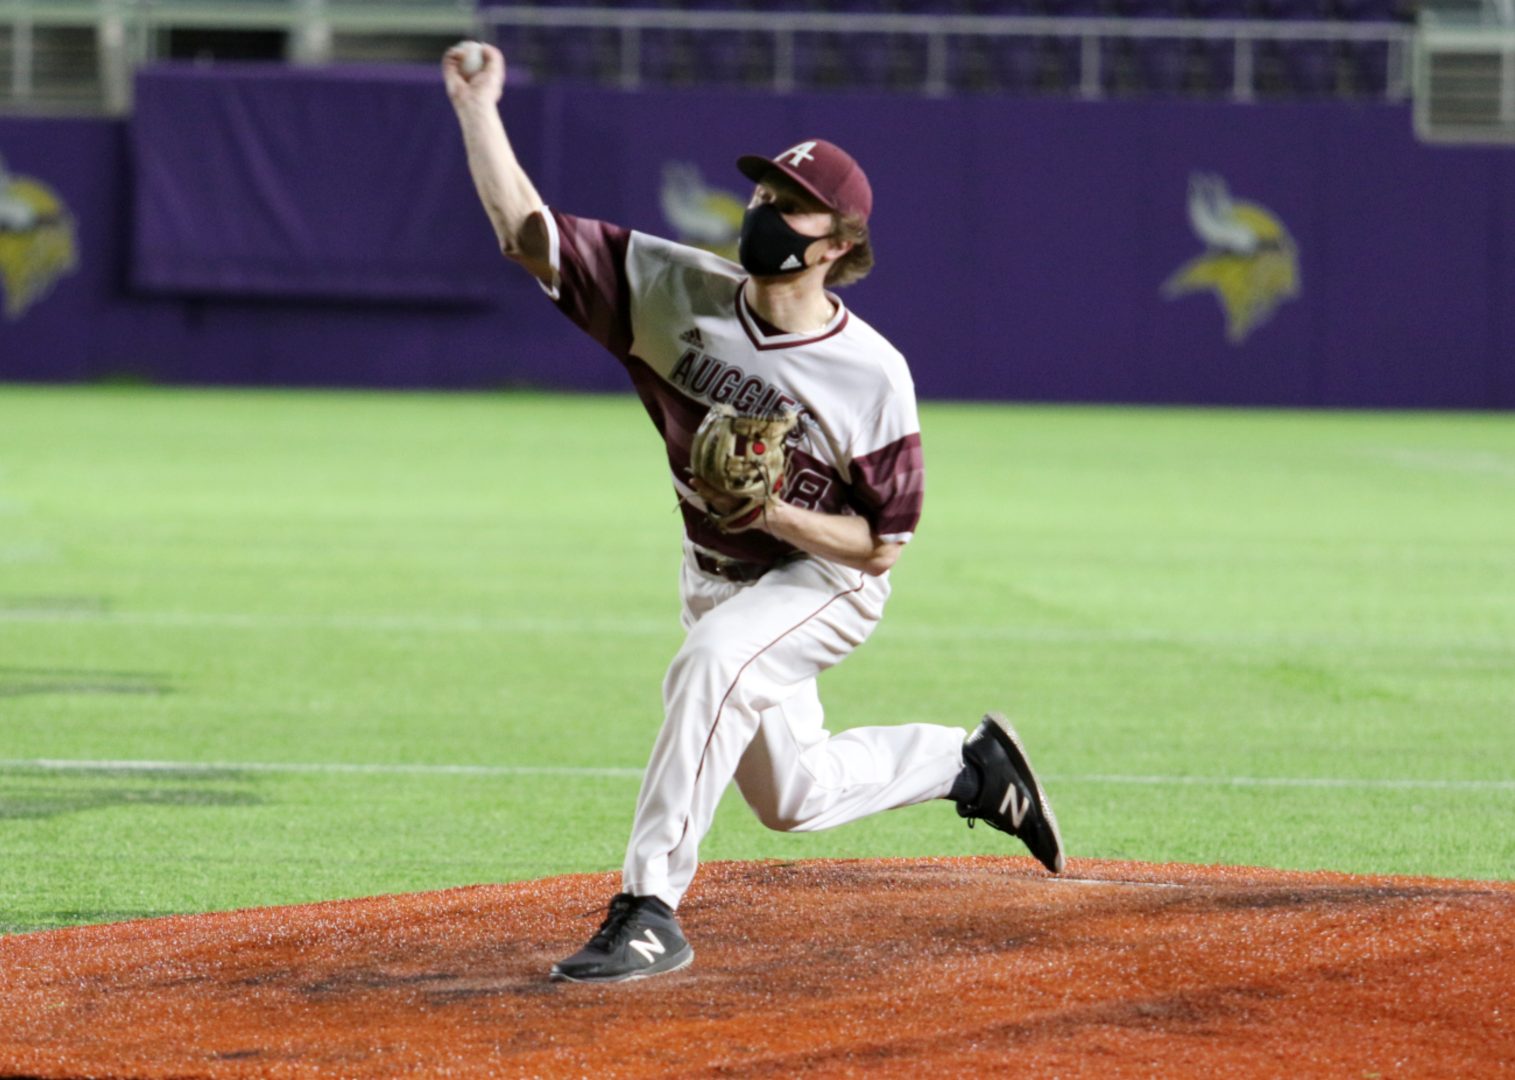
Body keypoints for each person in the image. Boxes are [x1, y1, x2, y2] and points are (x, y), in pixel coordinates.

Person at [442, 42, 1065, 984]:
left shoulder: (871, 374)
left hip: (824, 579)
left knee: (711, 664)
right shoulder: (672, 292)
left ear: (837, 245)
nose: (764, 211)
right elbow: (527, 234)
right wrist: (476, 106)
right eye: (763, 194)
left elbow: (883, 545)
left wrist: (770, 512)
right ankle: (969, 766)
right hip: (714, 575)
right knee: (794, 797)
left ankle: (649, 909)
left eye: (790, 205)